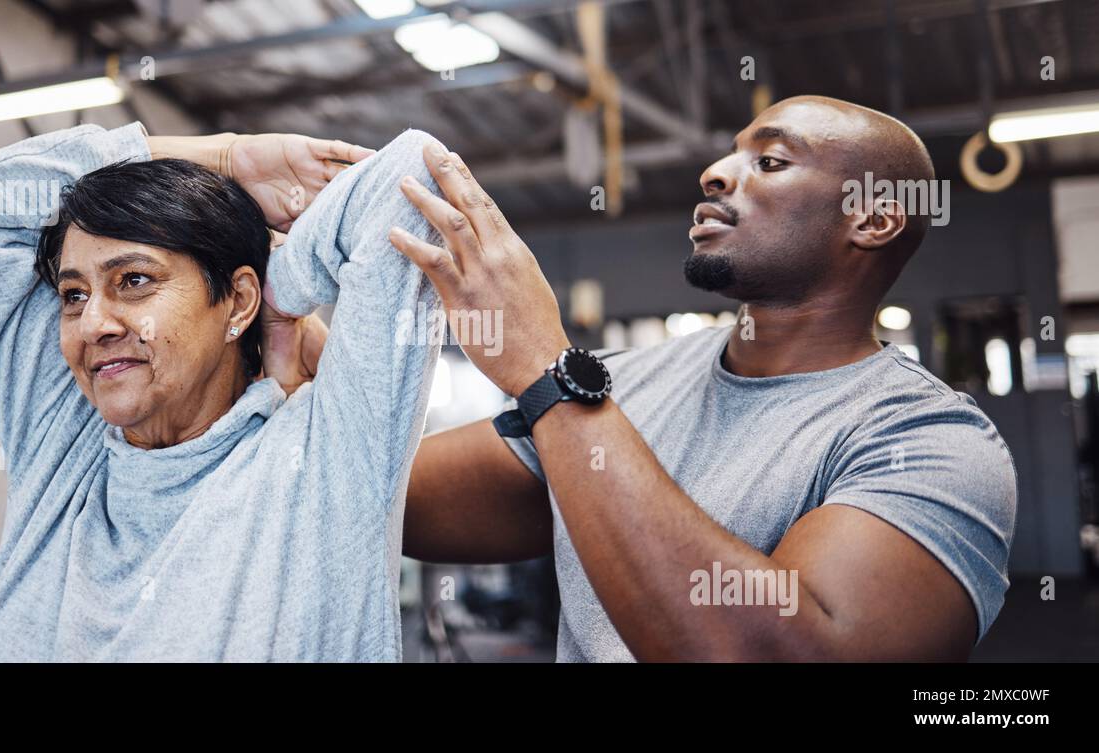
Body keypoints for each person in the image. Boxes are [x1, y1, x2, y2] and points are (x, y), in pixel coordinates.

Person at [267, 96, 1018, 661]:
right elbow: (388, 501)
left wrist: (544, 367)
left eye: (770, 161)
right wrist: (310, 361)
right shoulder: (626, 383)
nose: (716, 171)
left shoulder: (930, 442)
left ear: (874, 220)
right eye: (728, 154)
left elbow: (772, 653)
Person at [0, 122, 448, 660]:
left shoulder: (325, 460)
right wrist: (227, 158)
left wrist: (281, 294)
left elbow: (413, 174)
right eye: (72, 294)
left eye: (134, 280)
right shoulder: (60, 447)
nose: (93, 324)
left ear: (236, 301)